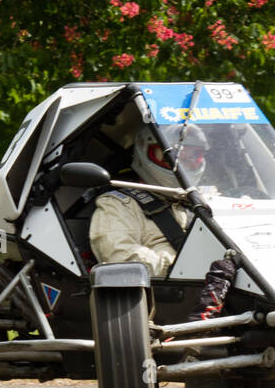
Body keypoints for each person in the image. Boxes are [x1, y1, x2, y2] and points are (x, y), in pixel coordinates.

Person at [88, 124, 235, 320]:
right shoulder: (119, 204)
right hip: (169, 303)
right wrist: (184, 265)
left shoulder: (211, 200)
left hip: (235, 288)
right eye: (175, 156)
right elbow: (120, 260)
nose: (184, 163)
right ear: (145, 151)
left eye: (195, 156)